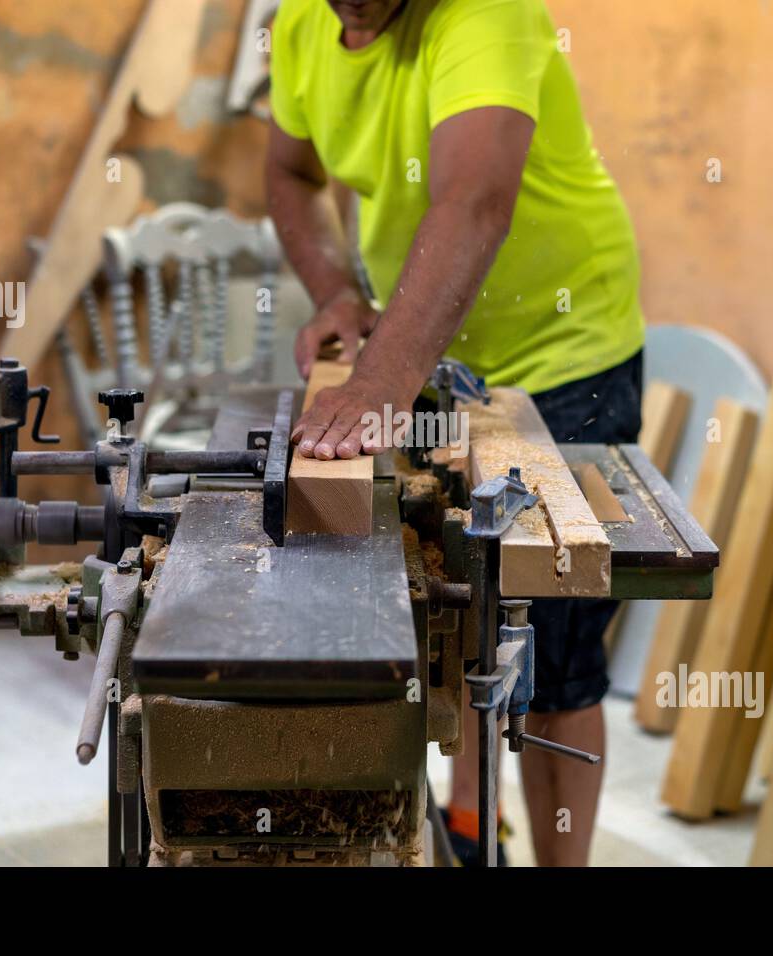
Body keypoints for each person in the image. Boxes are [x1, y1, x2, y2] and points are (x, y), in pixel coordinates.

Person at [265, 0, 645, 866]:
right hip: (428, 341)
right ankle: (474, 831)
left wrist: (378, 382)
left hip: (561, 352)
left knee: (549, 645)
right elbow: (288, 171)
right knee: (455, 618)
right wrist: (335, 291)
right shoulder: (296, 26)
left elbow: (475, 200)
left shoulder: (485, 13)